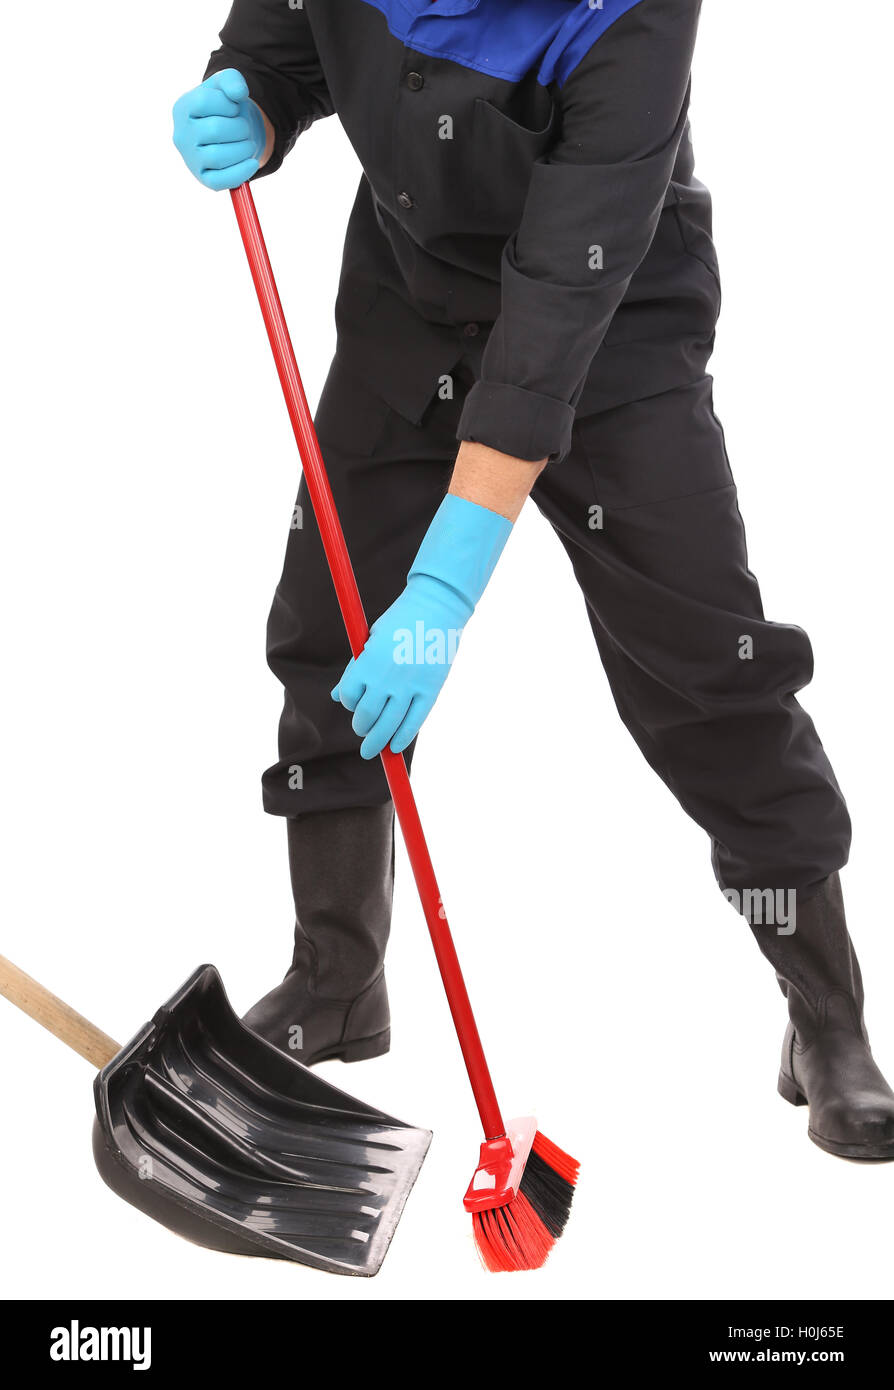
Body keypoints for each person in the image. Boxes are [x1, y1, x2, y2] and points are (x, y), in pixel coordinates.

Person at [172, 0, 894, 1158]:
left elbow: (558, 304)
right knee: (331, 625)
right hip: (410, 303)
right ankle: (336, 980)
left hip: (609, 335)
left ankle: (827, 1014)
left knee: (711, 669)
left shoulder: (630, 18)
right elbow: (292, 37)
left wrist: (451, 587)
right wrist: (253, 100)